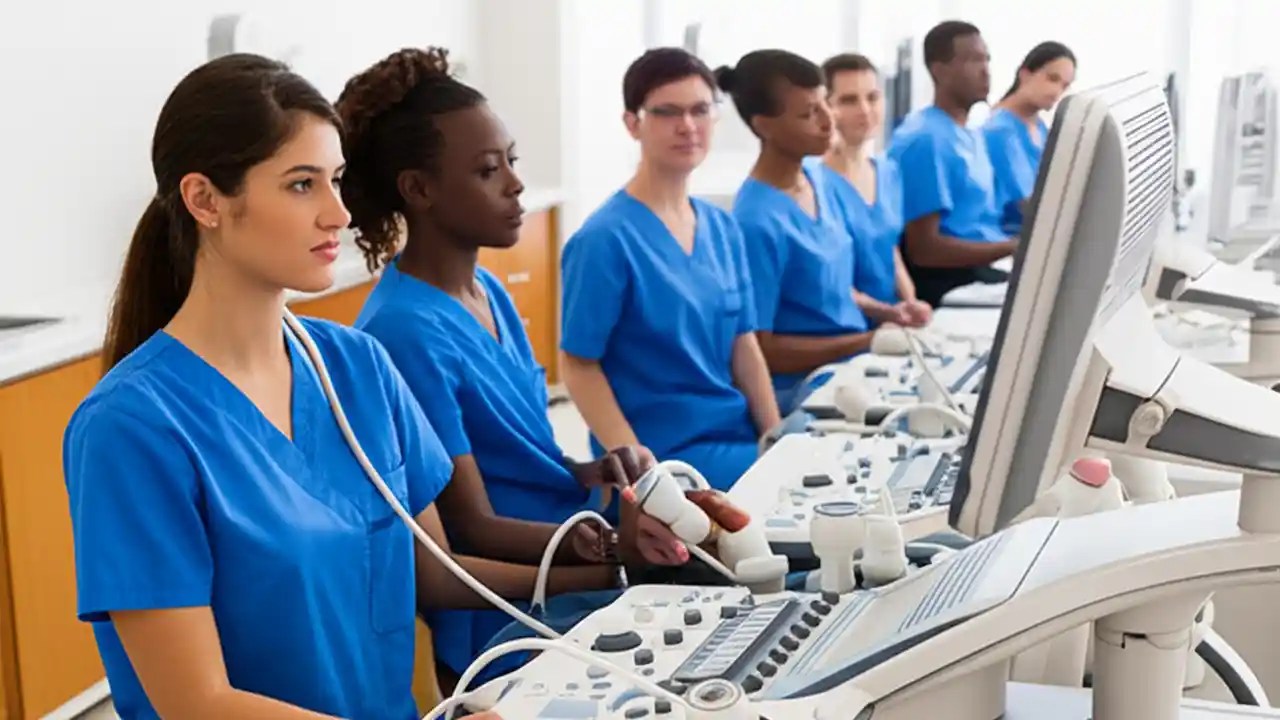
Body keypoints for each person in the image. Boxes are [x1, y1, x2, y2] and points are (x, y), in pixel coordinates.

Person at [61, 53, 720, 720]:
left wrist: (626, 565)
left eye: (337, 181)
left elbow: (430, 571)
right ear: (204, 199)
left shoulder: (358, 369)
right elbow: (195, 703)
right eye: (300, 185)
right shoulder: (132, 428)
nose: (338, 214)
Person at [336, 47, 687, 688]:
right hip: (504, 608)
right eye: (488, 170)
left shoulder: (488, 292)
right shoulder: (402, 331)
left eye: (513, 163)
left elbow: (523, 461)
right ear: (419, 190)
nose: (516, 185)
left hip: (567, 537)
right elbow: (471, 526)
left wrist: (596, 472)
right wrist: (613, 556)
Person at [559, 48, 781, 492]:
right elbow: (578, 364)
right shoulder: (604, 240)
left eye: (701, 110)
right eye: (667, 112)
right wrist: (642, 469)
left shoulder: (722, 226)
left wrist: (776, 437)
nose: (688, 126)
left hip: (736, 438)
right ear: (632, 123)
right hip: (671, 455)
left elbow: (744, 344)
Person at [716, 49, 873, 412]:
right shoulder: (755, 220)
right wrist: (863, 340)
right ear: (763, 126)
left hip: (852, 365)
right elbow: (763, 349)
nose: (827, 121)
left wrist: (889, 313)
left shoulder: (818, 181)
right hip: (803, 387)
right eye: (808, 113)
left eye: (824, 105)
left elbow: (830, 290)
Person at [888, 20, 1015, 307]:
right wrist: (1014, 247)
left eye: (987, 60)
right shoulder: (926, 139)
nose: (986, 71)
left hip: (979, 270)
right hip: (946, 281)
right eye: (973, 60)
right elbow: (924, 251)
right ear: (939, 70)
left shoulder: (969, 134)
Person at [820, 52, 932, 328]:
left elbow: (889, 248)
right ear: (824, 106)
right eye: (848, 100)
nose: (865, 110)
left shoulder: (888, 171)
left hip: (892, 325)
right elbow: (824, 279)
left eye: (872, 97)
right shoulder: (815, 183)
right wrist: (889, 314)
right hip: (845, 329)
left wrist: (910, 301)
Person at [984, 41, 1076, 235]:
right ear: (1025, 74)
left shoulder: (1040, 127)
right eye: (1052, 79)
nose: (1056, 92)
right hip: (1007, 240)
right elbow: (1028, 203)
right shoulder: (1000, 130)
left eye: (1064, 86)